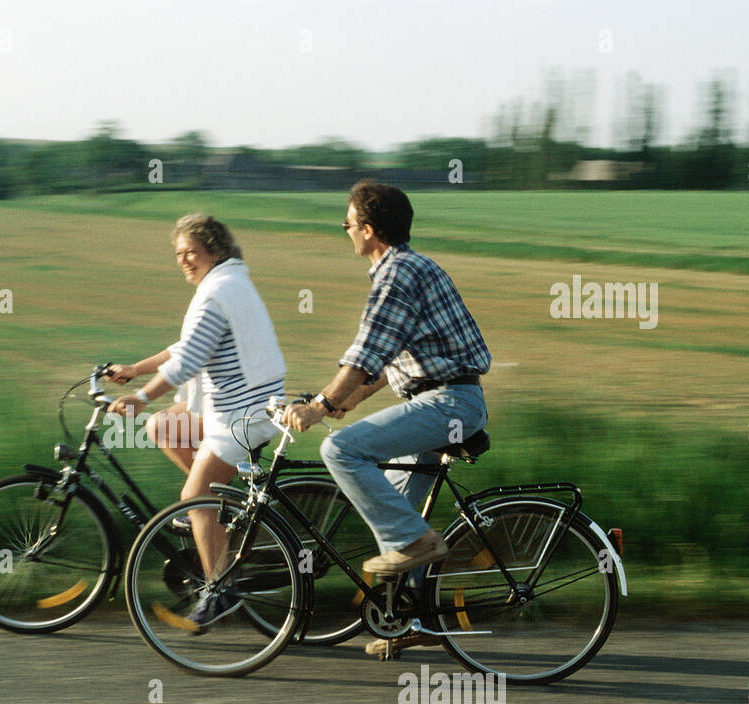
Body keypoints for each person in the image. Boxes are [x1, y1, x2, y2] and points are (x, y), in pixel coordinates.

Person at [283, 180, 491, 653]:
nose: (346, 232)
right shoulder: (408, 266)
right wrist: (349, 399)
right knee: (399, 509)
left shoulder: (397, 274)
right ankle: (417, 620)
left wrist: (322, 407)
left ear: (369, 230)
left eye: (348, 224)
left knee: (340, 448)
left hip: (449, 405)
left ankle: (418, 546)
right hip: (441, 399)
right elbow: (392, 358)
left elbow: (365, 354)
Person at [106, 213, 286, 629]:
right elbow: (187, 345)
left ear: (215, 250)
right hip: (241, 405)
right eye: (179, 254)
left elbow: (189, 359)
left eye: (192, 252)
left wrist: (142, 396)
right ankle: (223, 512)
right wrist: (135, 369)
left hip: (242, 414)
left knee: (193, 497)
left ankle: (219, 589)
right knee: (162, 426)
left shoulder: (217, 291)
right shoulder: (227, 283)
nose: (185, 260)